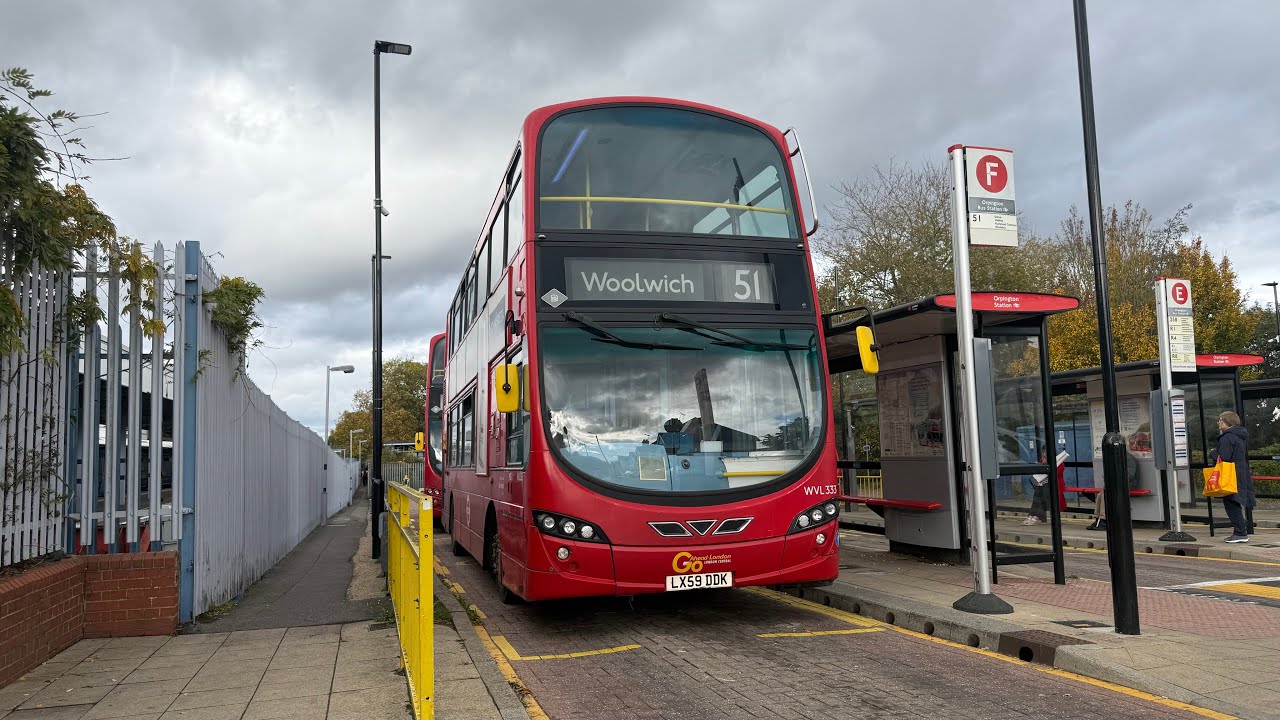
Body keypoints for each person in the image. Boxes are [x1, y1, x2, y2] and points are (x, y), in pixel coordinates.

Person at [1209, 410, 1254, 543]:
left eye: (1220, 420)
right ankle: (1241, 532)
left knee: (1231, 503)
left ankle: (1240, 533)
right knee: (1235, 502)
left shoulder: (1227, 437)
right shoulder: (1240, 436)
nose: (1218, 423)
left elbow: (1224, 457)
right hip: (1240, 473)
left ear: (1226, 422)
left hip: (1230, 475)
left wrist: (1213, 453)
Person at [1086, 449, 1138, 531]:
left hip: (1126, 485)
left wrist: (1114, 476)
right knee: (1100, 494)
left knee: (1104, 495)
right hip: (1115, 484)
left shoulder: (1129, 459)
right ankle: (1097, 518)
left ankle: (1104, 519)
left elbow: (1129, 476)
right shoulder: (1115, 458)